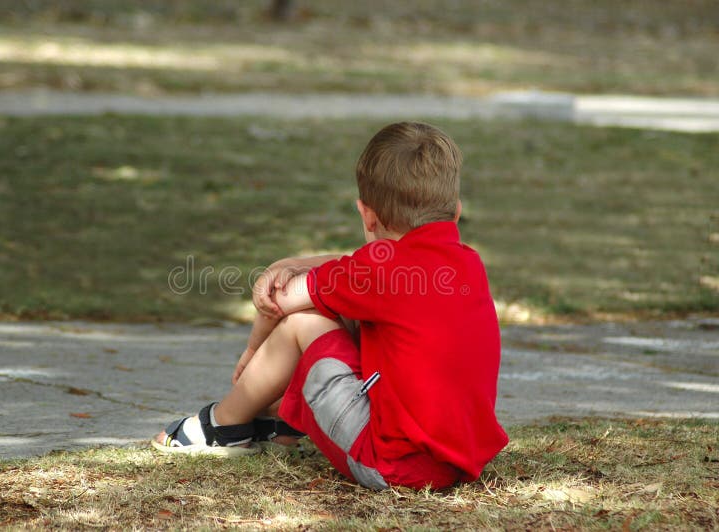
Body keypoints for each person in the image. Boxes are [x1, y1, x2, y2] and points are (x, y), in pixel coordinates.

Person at [153, 122, 508, 490]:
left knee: (302, 324)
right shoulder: (468, 264)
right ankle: (282, 424)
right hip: (459, 462)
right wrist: (296, 263)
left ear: (366, 215)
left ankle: (223, 426)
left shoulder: (379, 273)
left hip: (391, 467)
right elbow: (355, 268)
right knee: (351, 311)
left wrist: (253, 350)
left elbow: (285, 299)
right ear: (455, 212)